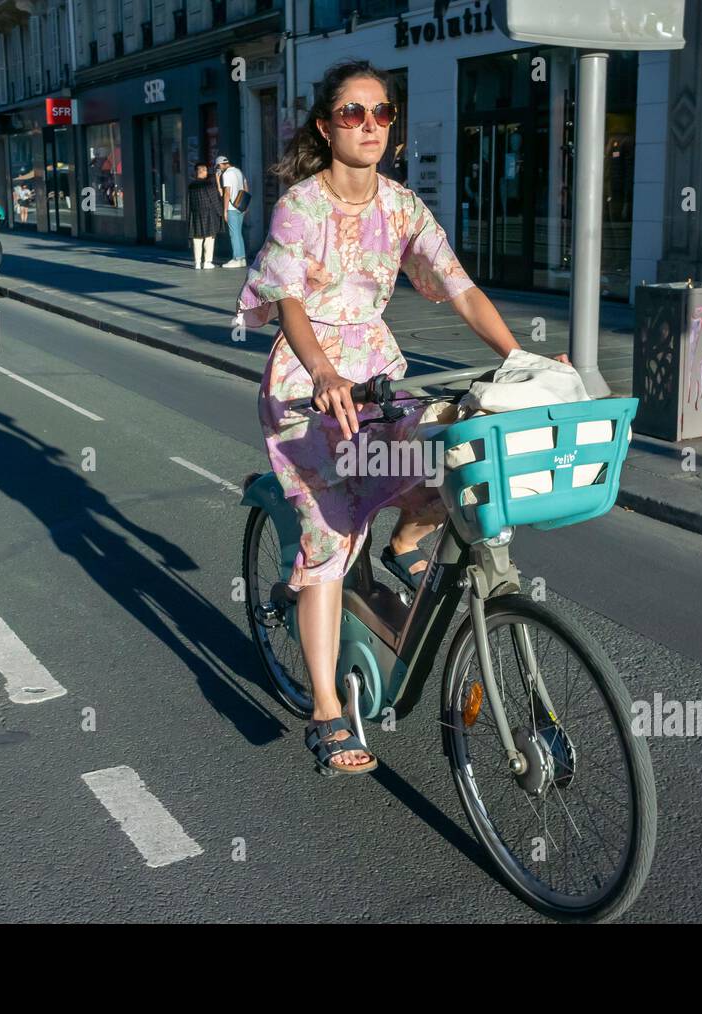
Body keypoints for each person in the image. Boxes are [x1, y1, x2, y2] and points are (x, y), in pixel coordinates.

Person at [234, 59, 568, 775]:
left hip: (379, 377)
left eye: (381, 113)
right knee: (328, 537)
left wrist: (522, 360)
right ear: (326, 127)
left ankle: (400, 549)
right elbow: (288, 298)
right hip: (308, 381)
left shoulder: (403, 208)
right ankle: (328, 711)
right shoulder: (301, 205)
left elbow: (460, 287)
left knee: (444, 466)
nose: (369, 126)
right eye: (352, 114)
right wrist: (323, 369)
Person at [187, 162, 223, 269]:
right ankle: (207, 262)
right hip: (209, 214)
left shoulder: (191, 186)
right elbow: (215, 200)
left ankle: (197, 262)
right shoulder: (209, 185)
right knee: (209, 238)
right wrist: (220, 213)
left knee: (197, 238)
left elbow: (189, 202)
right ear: (202, 171)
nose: (207, 172)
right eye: (206, 170)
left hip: (195, 214)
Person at [215, 154, 248, 267]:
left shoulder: (227, 174)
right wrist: (246, 206)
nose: (218, 169)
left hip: (232, 208)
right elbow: (246, 188)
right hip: (241, 206)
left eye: (218, 167)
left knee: (234, 234)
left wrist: (224, 211)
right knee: (238, 233)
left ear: (220, 164)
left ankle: (236, 258)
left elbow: (226, 193)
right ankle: (242, 258)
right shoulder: (239, 171)